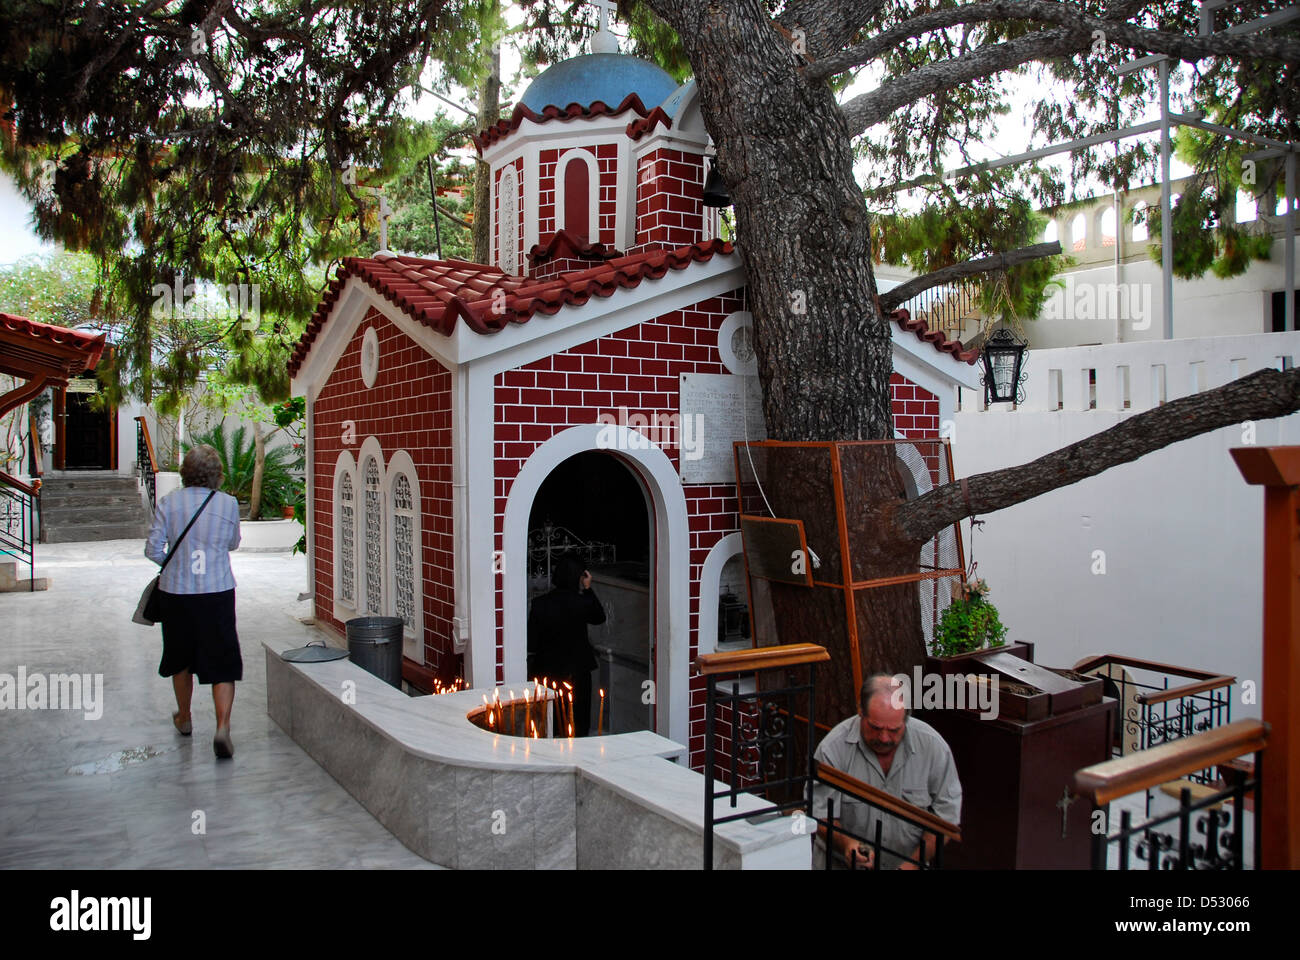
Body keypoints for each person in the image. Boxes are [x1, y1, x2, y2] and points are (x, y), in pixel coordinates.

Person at [144, 444, 243, 759]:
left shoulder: (168, 503)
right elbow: (233, 543)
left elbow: (152, 549)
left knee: (180, 657)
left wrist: (170, 563)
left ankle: (185, 718)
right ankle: (223, 727)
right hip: (217, 591)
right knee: (223, 660)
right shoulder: (227, 504)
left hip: (177, 593)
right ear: (217, 476)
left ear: (186, 473)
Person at [809, 673, 962, 869]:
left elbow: (946, 818)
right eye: (875, 727)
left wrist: (912, 864)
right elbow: (819, 812)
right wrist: (847, 845)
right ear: (860, 711)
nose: (883, 738)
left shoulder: (933, 748)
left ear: (907, 717)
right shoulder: (833, 748)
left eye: (894, 730)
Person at [527, 555, 606, 736]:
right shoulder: (581, 603)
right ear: (579, 576)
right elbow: (599, 617)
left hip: (547, 671)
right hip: (577, 671)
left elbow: (532, 641)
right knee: (578, 719)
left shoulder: (539, 604)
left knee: (550, 722)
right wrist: (588, 589)